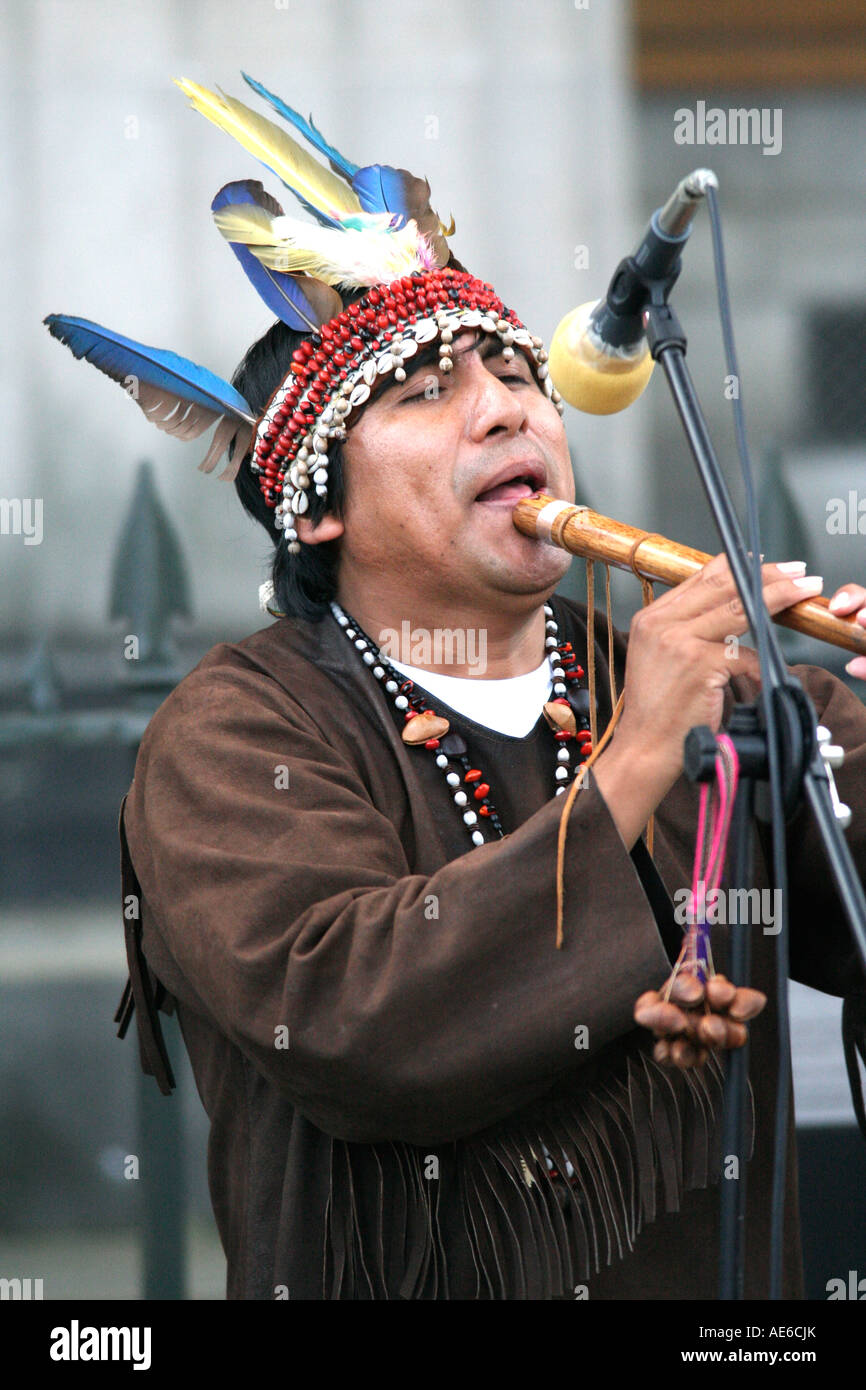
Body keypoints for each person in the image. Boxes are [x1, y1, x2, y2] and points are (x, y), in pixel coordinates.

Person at [50, 75, 866, 1300]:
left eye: (515, 374)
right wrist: (640, 752)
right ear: (315, 508)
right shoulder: (232, 733)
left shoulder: (690, 674)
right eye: (426, 393)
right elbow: (350, 1028)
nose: (503, 407)